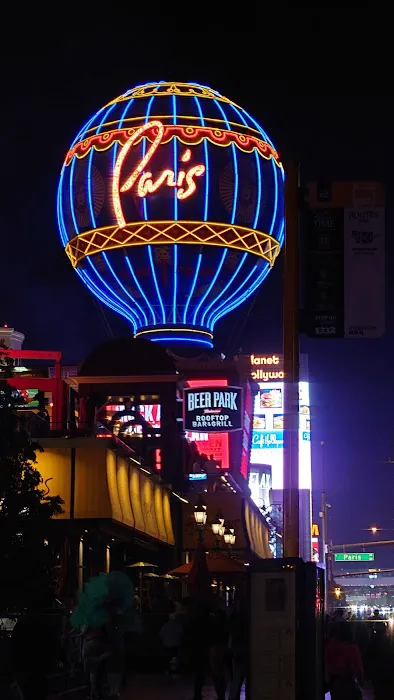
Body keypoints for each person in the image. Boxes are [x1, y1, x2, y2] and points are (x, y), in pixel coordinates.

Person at [326, 621, 364, 700]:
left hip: (334, 682)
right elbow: (358, 666)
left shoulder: (330, 645)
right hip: (348, 682)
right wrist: (361, 681)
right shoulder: (352, 647)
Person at [366, 621, 394, 699]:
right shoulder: (388, 641)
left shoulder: (372, 642)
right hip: (387, 673)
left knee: (378, 692)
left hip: (377, 673)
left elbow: (368, 658)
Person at [228, 610, 247, 700]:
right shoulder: (243, 633)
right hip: (241, 655)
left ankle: (234, 697)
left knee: (236, 680)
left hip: (237, 656)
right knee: (238, 679)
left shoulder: (234, 634)